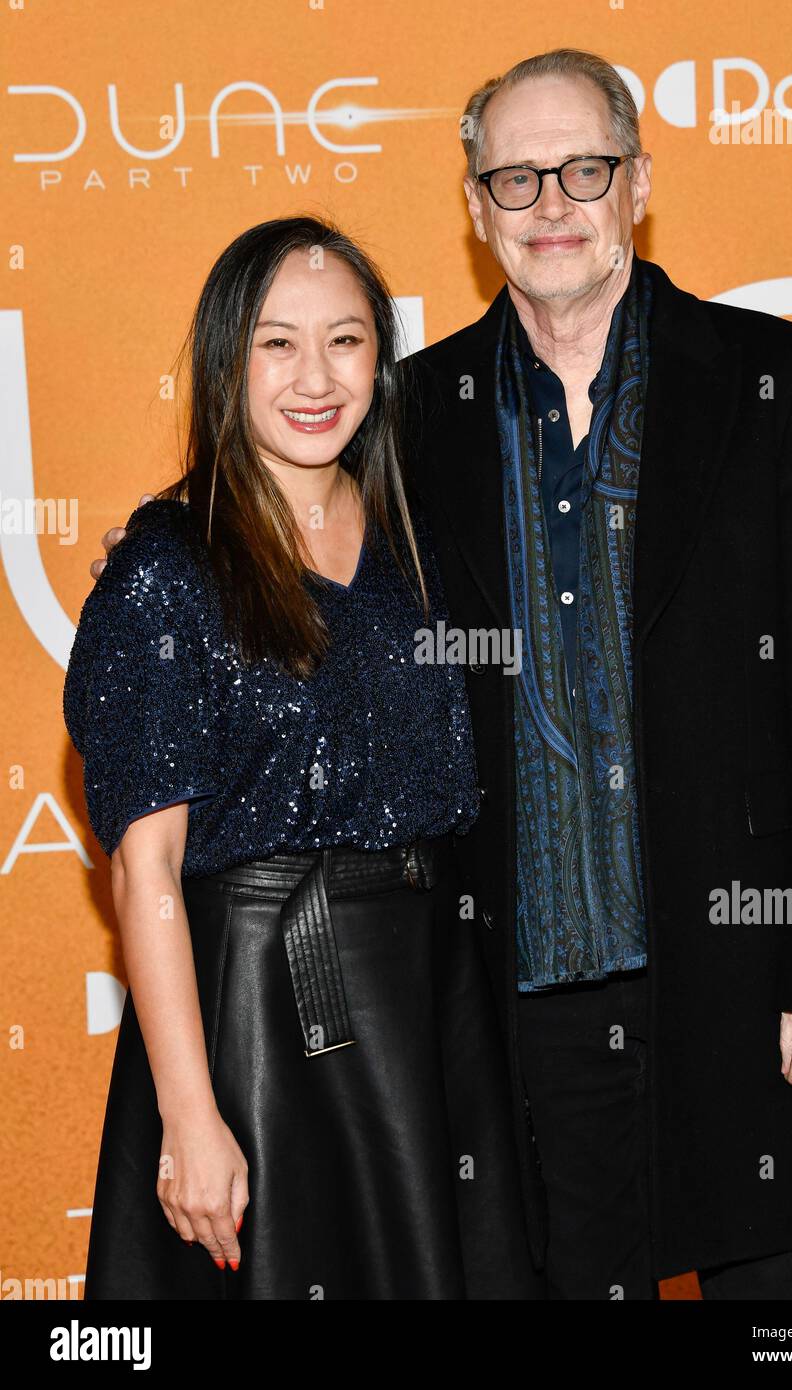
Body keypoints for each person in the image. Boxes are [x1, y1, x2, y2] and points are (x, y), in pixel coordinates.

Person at [93, 50, 792, 1301]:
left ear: (637, 180)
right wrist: (164, 550)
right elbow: (275, 535)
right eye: (514, 178)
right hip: (518, 1016)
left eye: (583, 168)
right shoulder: (412, 417)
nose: (551, 204)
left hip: (741, 984)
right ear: (474, 209)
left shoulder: (773, 381)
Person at [65, 215, 539, 1300]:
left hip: (430, 993)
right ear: (226, 359)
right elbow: (145, 871)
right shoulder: (168, 569)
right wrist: (190, 1114)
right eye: (276, 343)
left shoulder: (419, 534)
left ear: (384, 357)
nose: (313, 377)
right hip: (264, 1010)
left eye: (346, 340)